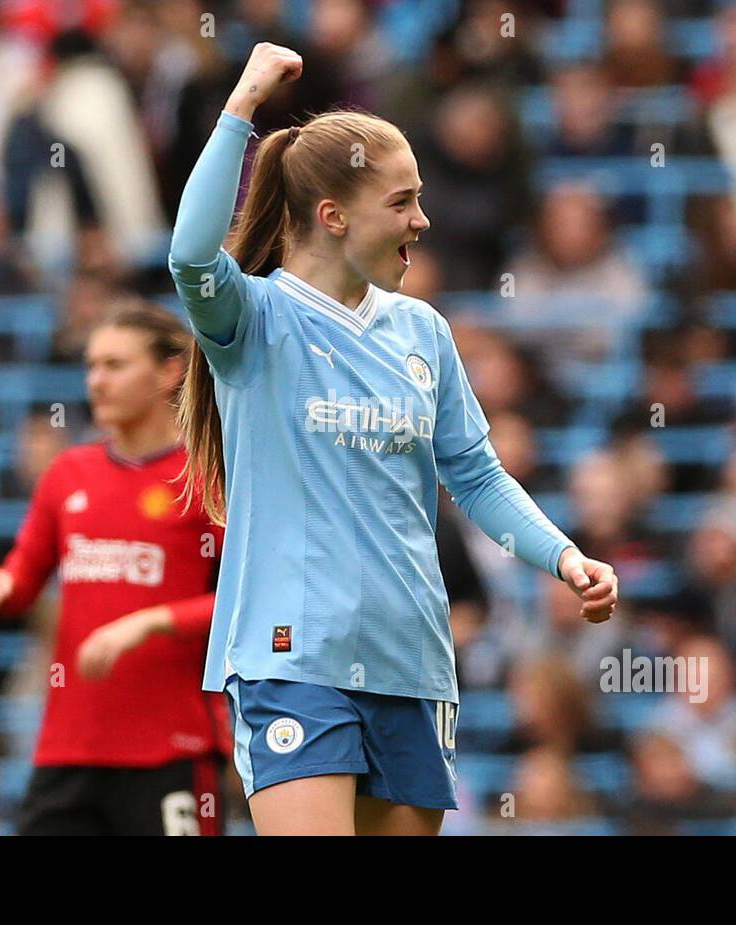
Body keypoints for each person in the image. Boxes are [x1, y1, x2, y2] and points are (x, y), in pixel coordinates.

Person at [167, 43, 619, 836]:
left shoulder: (423, 331)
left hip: (411, 660)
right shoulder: (256, 320)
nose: (423, 219)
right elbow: (189, 255)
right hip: (292, 659)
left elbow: (474, 474)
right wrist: (241, 106)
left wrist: (563, 555)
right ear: (333, 216)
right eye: (403, 201)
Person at [0, 301, 229, 835]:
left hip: (170, 748)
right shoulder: (68, 473)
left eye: (115, 365)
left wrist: (149, 622)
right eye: (91, 366)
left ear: (169, 371)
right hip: (69, 750)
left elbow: (249, 599)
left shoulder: (206, 475)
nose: (96, 381)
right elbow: (22, 577)